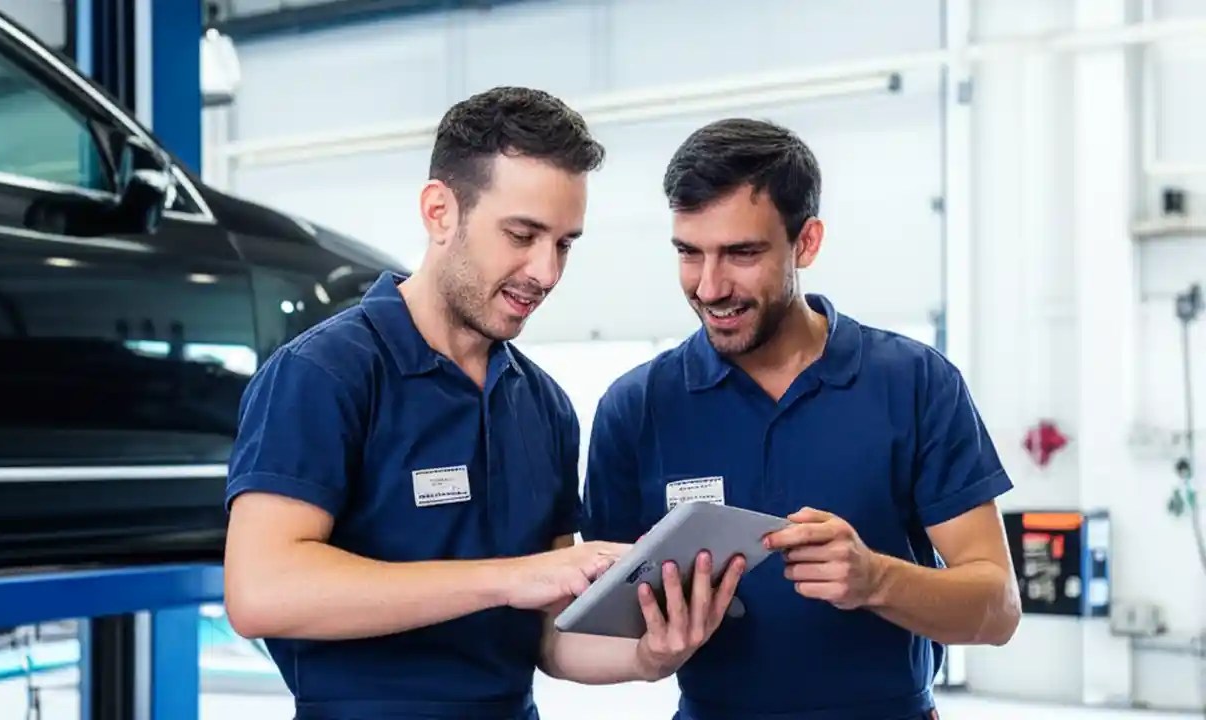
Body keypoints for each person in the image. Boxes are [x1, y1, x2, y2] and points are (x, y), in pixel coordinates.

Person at [221, 86, 745, 720]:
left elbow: (552, 636)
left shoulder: (545, 405)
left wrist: (649, 658)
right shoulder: (322, 375)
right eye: (521, 235)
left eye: (564, 244)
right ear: (440, 212)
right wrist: (508, 576)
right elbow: (260, 592)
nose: (545, 272)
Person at [580, 117, 1022, 720]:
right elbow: (602, 624)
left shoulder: (914, 383)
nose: (709, 286)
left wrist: (875, 580)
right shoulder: (636, 408)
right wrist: (654, 645)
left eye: (741, 253)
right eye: (690, 253)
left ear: (806, 243)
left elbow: (998, 609)